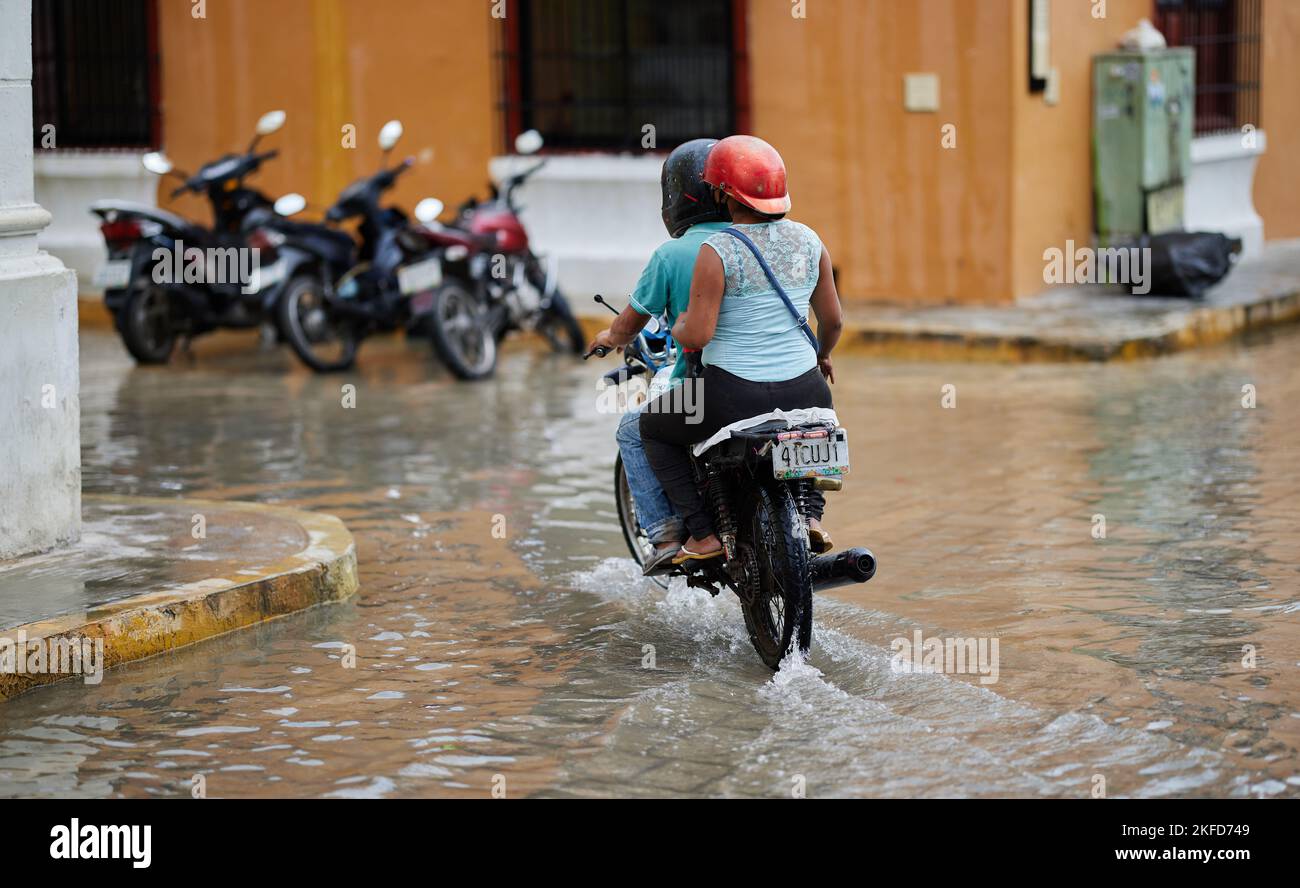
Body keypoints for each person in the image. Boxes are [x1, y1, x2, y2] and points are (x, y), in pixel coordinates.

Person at [639, 134, 843, 564]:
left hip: (732, 396)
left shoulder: (719, 250)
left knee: (652, 427)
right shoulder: (811, 240)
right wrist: (822, 356)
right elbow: (834, 320)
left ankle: (701, 535)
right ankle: (808, 520)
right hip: (809, 391)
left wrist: (676, 321)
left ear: (721, 193)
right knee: (810, 429)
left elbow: (696, 336)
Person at [587, 139, 731, 574]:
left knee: (635, 429)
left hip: (710, 389)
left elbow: (631, 324)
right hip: (788, 381)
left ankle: (668, 536)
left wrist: (608, 337)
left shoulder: (673, 254)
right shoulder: (764, 240)